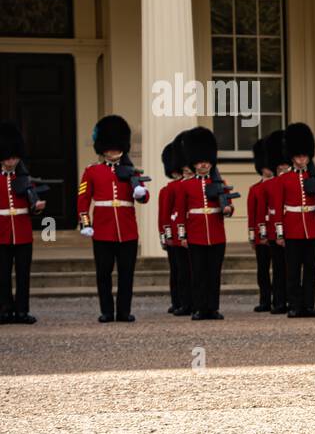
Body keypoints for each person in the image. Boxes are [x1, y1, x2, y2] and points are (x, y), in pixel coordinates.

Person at [77, 114, 149, 323]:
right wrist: (86, 223)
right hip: (102, 229)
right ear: (102, 148)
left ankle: (124, 311)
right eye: (108, 148)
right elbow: (83, 199)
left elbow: (144, 196)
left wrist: (141, 193)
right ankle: (107, 311)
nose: (112, 151)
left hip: (127, 230)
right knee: (103, 274)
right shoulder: (92, 171)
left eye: (116, 147)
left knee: (126, 274)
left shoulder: (131, 171)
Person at [268, 122, 315, 318]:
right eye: (299, 156)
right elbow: (277, 209)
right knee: (293, 271)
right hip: (292, 229)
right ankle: (294, 305)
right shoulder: (283, 179)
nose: (302, 159)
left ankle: (309, 305)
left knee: (311, 269)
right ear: (292, 157)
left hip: (312, 228)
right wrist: (279, 233)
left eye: (304, 155)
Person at [175, 126, 236, 321]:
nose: (203, 165)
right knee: (198, 273)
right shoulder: (186, 185)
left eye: (206, 161)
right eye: (200, 162)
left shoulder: (220, 182)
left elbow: (230, 206)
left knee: (214, 274)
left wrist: (228, 209)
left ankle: (213, 308)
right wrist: (182, 235)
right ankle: (199, 308)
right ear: (193, 163)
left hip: (216, 234)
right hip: (195, 234)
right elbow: (180, 213)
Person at [0, 121, 43, 325]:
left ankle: (22, 311)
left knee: (23, 274)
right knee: (3, 274)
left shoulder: (25, 177)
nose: (11, 161)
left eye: (15, 157)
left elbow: (32, 203)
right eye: (8, 157)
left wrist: (37, 207)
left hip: (23, 232)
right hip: (1, 232)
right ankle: (5, 310)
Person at [157, 138, 192, 316]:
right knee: (178, 270)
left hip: (191, 232)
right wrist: (166, 236)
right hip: (175, 235)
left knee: (189, 270)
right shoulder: (170, 189)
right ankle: (178, 300)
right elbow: (165, 215)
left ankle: (188, 301)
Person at [262, 130, 290, 314]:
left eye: (285, 168)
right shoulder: (268, 185)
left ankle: (291, 299)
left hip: (295, 230)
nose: (283, 171)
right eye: (280, 168)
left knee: (292, 269)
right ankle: (278, 301)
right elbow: (264, 212)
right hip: (275, 230)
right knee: (278, 268)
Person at [247, 138, 274, 313]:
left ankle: (280, 298)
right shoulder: (255, 189)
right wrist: (253, 236)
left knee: (281, 269)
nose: (267, 169)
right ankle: (265, 299)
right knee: (263, 270)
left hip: (277, 232)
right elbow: (252, 215)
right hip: (261, 233)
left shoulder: (281, 185)